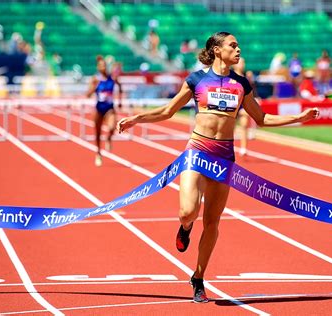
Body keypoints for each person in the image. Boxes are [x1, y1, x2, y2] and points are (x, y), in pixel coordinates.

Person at [117, 32, 319, 303]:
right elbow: (167, 111)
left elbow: (261, 119)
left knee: (212, 223)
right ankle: (185, 227)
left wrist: (299, 117)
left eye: (238, 46)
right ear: (216, 50)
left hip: (224, 157)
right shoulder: (197, 80)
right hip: (197, 152)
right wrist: (136, 119)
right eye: (233, 46)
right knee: (188, 211)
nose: (238, 50)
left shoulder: (241, 84)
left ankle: (198, 277)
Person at [86, 55, 123, 167]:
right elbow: (88, 95)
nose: (103, 67)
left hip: (109, 108)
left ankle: (108, 138)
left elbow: (120, 86)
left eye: (104, 65)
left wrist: (120, 101)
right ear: (98, 68)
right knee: (97, 133)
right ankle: (98, 153)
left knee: (112, 127)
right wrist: (94, 87)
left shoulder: (112, 78)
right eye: (101, 66)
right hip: (99, 108)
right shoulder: (95, 79)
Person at [231, 56, 254, 156]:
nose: (242, 65)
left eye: (243, 63)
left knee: (244, 125)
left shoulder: (246, 77)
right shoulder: (229, 75)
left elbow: (250, 90)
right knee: (229, 127)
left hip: (242, 104)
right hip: (232, 104)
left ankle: (243, 148)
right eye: (240, 63)